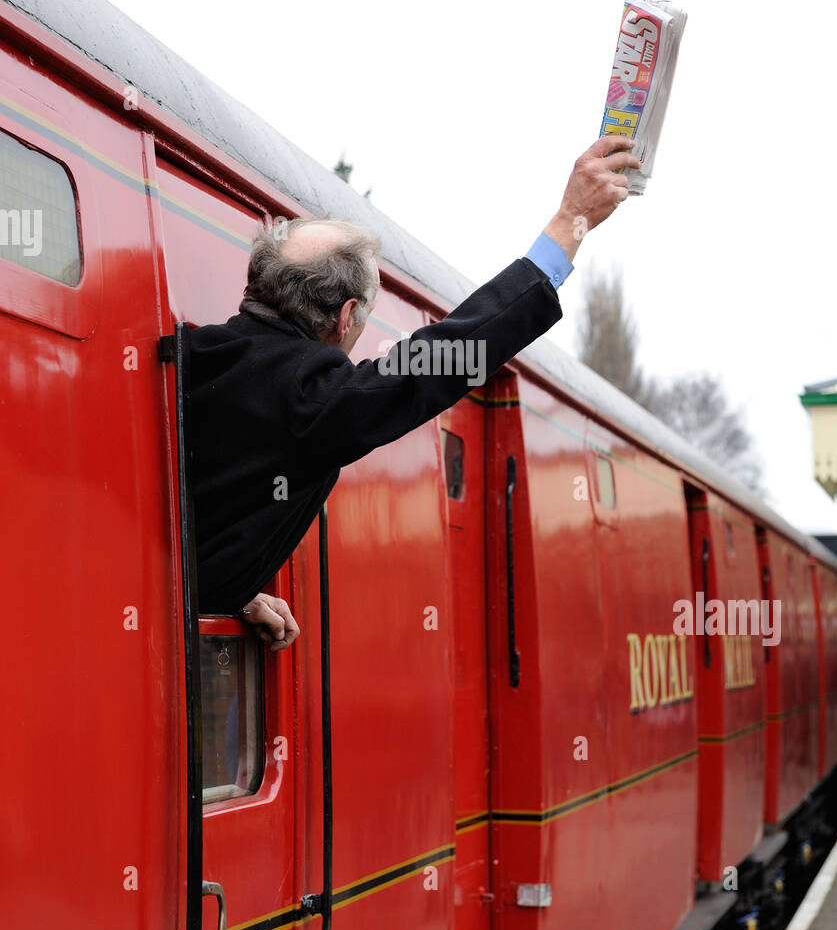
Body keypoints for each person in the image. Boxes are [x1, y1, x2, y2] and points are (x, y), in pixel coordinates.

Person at [189, 134, 639, 650]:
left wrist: (235, 591)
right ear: (344, 318)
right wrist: (569, 223)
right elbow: (449, 354)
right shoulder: (311, 401)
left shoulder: (192, 353)